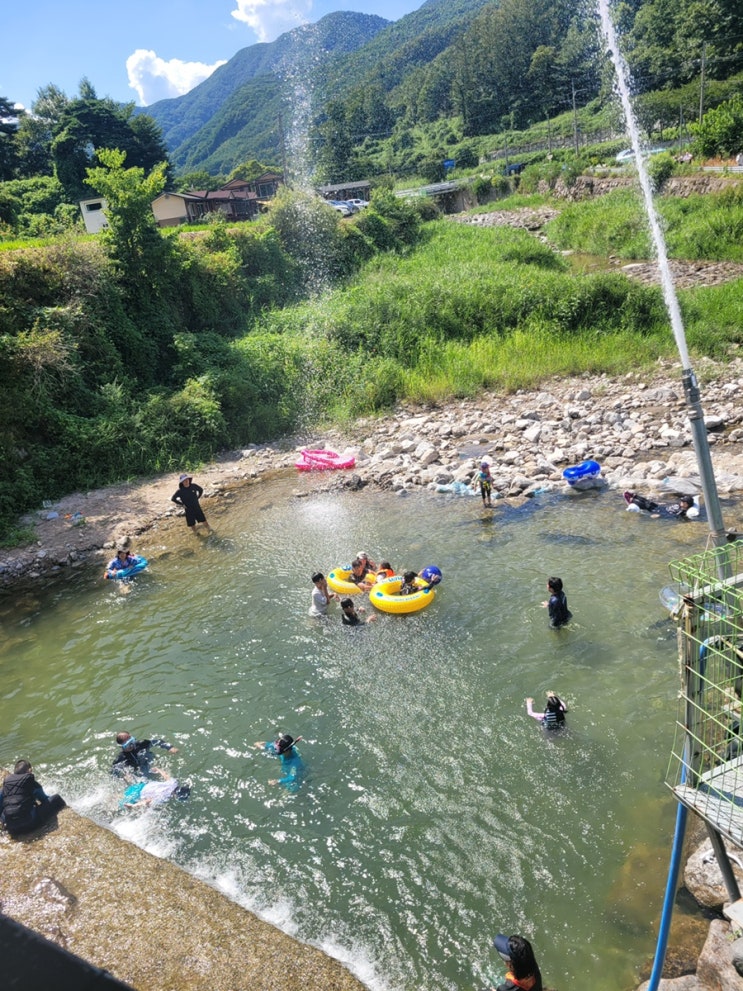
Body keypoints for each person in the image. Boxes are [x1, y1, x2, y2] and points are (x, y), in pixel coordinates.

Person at [0, 760, 66, 837]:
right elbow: (44, 799)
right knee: (56, 798)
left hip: (12, 829)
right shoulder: (30, 781)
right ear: (29, 770)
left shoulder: (6, 785)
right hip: (30, 825)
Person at [112, 731, 179, 778]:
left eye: (132, 741)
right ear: (122, 747)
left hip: (148, 762)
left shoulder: (141, 744)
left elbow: (158, 742)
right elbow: (114, 771)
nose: (132, 746)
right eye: (128, 745)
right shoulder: (121, 758)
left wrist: (170, 747)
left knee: (157, 769)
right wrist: (124, 776)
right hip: (136, 771)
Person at [119, 770, 190, 808]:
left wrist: (158, 770)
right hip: (137, 794)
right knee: (119, 802)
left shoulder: (174, 782)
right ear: (176, 796)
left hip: (141, 785)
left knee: (121, 793)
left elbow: (165, 775)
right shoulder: (164, 797)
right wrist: (134, 806)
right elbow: (148, 801)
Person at [623, 491, 696, 519]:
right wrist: (664, 504)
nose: (681, 502)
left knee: (646, 506)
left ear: (686, 505)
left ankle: (631, 501)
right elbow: (672, 505)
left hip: (660, 512)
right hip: (662, 508)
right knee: (649, 502)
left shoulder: (682, 511)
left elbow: (672, 516)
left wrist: (660, 516)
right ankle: (634, 496)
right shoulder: (680, 505)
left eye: (683, 502)